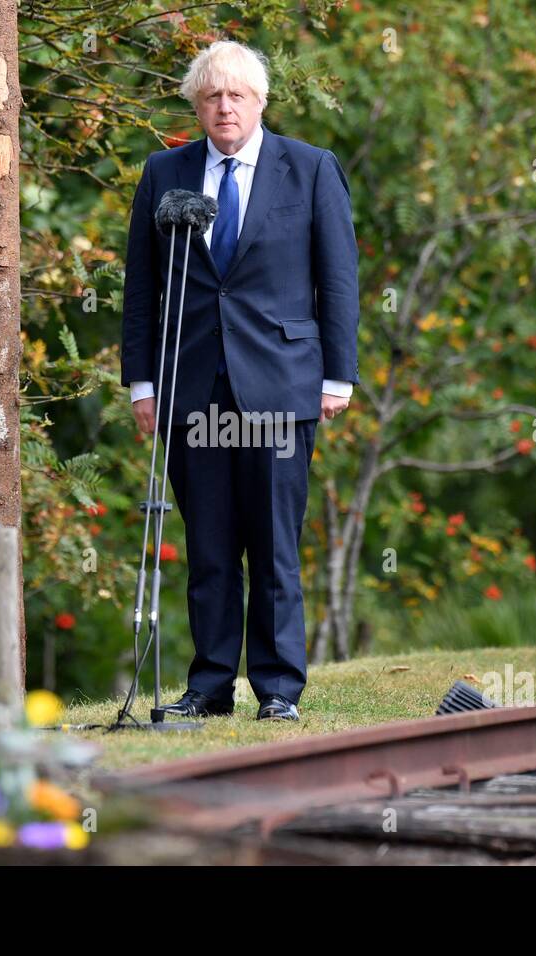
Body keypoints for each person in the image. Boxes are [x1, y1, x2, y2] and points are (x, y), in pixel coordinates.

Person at [120, 40, 360, 721]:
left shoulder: (310, 170)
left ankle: (279, 689)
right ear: (197, 105)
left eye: (237, 96)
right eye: (211, 96)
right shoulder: (164, 172)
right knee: (211, 546)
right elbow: (142, 290)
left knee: (276, 545)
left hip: (282, 386)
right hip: (191, 385)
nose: (225, 107)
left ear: (260, 102)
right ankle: (210, 686)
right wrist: (142, 383)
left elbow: (338, 282)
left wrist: (339, 374)